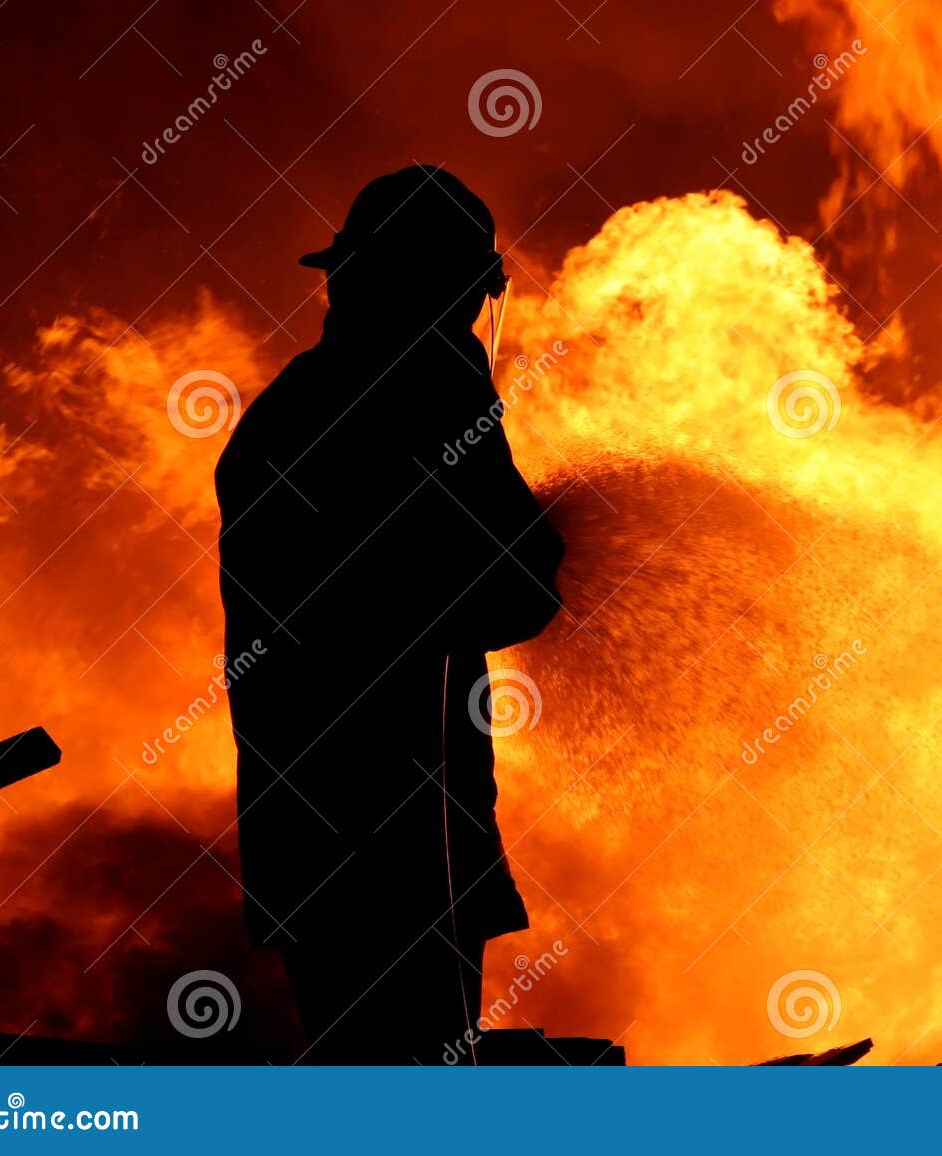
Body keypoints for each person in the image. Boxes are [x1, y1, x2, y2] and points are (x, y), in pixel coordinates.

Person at [214, 165, 565, 1063]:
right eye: (462, 296)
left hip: (341, 845)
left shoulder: (305, 407)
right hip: (396, 851)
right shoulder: (415, 398)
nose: (467, 322)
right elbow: (510, 582)